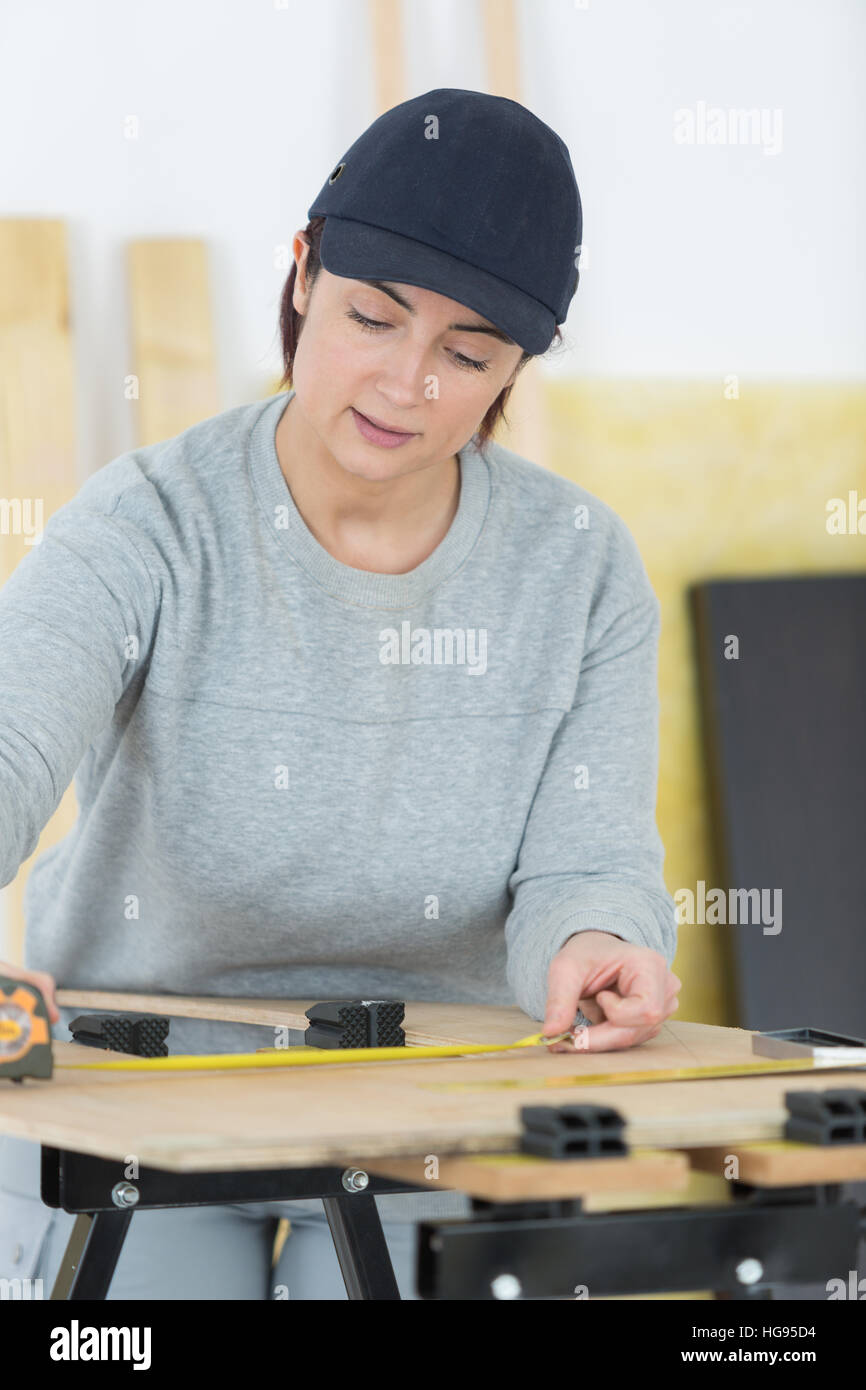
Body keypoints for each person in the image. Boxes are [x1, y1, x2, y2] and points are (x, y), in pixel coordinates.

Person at [0, 88, 680, 1300]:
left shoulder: (579, 565)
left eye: (465, 354)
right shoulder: (146, 519)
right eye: (373, 317)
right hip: (128, 1088)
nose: (407, 382)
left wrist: (596, 943)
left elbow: (586, 858)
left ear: (516, 365)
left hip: (429, 1096)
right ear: (304, 273)